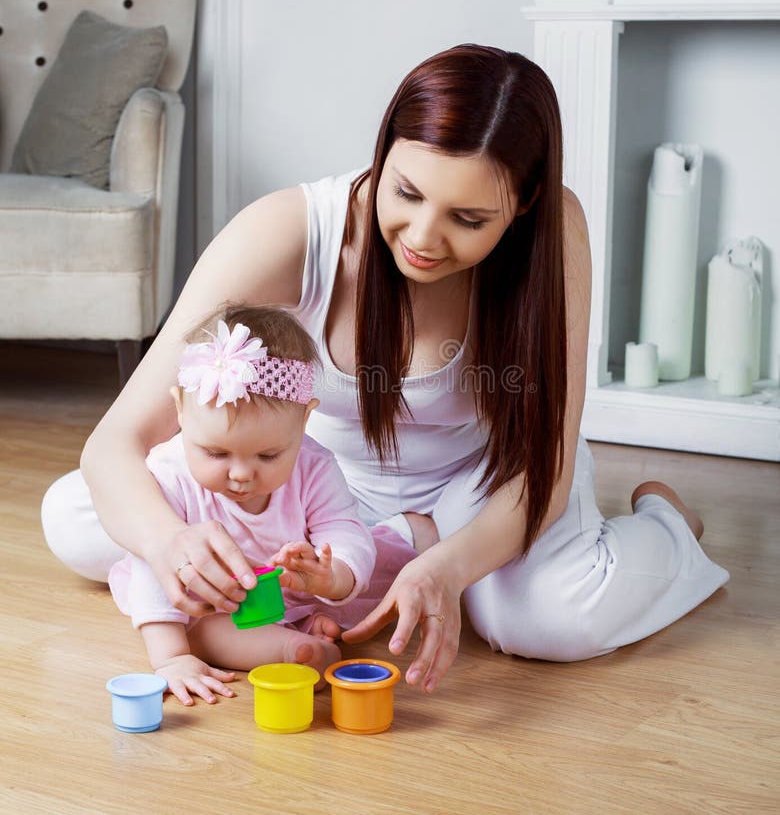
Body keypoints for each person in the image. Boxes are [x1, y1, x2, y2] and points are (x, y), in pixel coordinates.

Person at [42, 43, 729, 695]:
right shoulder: (290, 230)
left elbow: (545, 462)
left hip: (480, 482)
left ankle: (667, 526)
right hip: (317, 482)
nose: (424, 238)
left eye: (468, 218)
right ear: (385, 152)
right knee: (75, 517)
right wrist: (169, 542)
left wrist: (448, 569)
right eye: (405, 192)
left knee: (545, 621)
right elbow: (116, 441)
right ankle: (390, 552)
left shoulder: (553, 235)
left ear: (523, 204)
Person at [106, 303, 416, 705]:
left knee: (373, 579)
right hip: (212, 598)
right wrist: (172, 658)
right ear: (180, 410)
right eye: (216, 453)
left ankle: (304, 624)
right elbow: (155, 567)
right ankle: (291, 647)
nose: (240, 475)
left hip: (295, 588)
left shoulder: (315, 466)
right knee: (201, 628)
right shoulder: (169, 472)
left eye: (268, 456)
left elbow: (344, 529)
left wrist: (331, 576)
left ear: (304, 421)